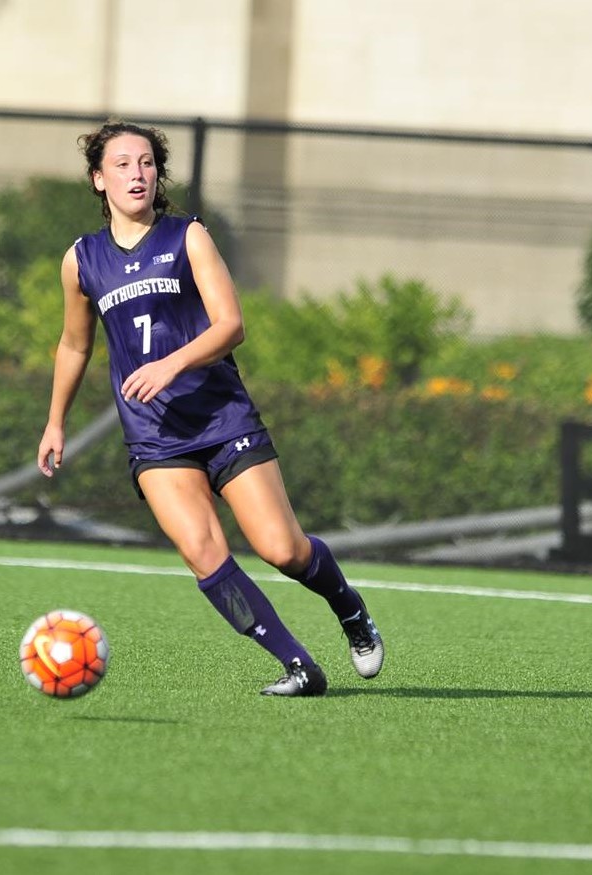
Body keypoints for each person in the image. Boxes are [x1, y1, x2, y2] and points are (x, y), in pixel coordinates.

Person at [36, 120, 384, 697]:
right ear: (99, 180)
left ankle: (349, 609)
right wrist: (55, 421)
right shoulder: (81, 261)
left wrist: (172, 364)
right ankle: (298, 665)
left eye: (146, 163)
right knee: (203, 553)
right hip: (155, 437)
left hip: (222, 420)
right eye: (121, 165)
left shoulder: (188, 236)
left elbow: (231, 325)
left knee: (283, 549)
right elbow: (75, 344)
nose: (136, 174)